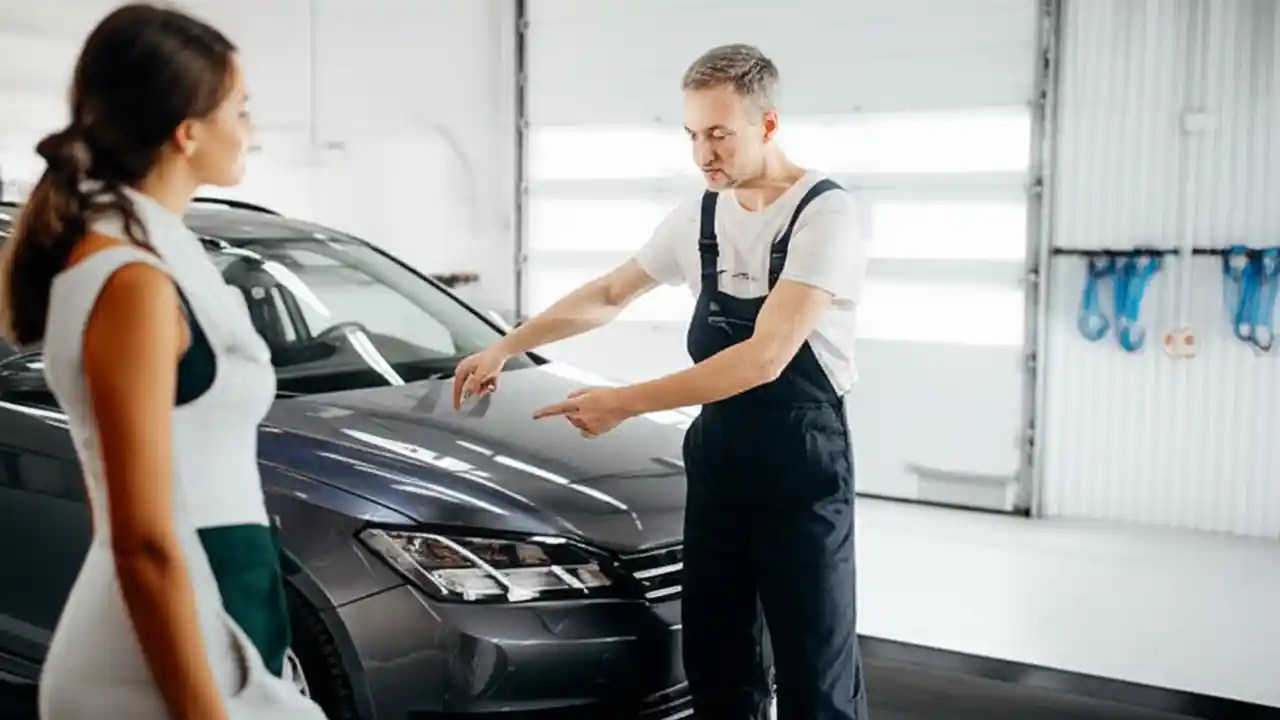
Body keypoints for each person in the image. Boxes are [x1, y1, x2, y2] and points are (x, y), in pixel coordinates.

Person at [453, 43, 870, 719]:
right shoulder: (700, 215)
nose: (704, 153)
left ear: (767, 125)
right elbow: (613, 291)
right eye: (693, 136)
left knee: (814, 671)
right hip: (719, 458)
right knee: (718, 660)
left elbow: (765, 358)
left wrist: (625, 403)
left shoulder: (823, 215)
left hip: (802, 460)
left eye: (719, 135)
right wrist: (508, 344)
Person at [0, 4, 325, 719]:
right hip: (154, 656)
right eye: (241, 111)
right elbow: (140, 536)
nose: (253, 132)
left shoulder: (151, 264)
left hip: (218, 603)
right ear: (187, 132)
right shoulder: (133, 284)